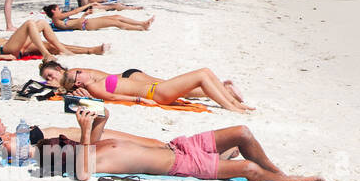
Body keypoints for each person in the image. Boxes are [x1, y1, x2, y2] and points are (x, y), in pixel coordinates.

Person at [19, 109, 321, 181]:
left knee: (242, 132)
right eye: (61, 146)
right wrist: (84, 134)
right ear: (59, 160)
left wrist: (100, 118)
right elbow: (83, 175)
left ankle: (278, 173)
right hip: (179, 165)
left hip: (179, 146)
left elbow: (94, 138)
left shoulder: (88, 149)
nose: (64, 142)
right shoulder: (83, 163)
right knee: (248, 168)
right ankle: (290, 180)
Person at [39, 61, 246, 108]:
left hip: (155, 91)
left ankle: (231, 99)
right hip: (156, 93)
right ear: (76, 81)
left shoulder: (94, 82)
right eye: (79, 73)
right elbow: (114, 97)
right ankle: (232, 106)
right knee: (202, 74)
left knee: (205, 73)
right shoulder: (94, 88)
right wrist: (140, 100)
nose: (83, 71)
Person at [0, 20, 107, 59]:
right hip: (6, 49)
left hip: (14, 45)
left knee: (42, 24)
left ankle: (90, 50)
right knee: (29, 24)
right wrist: (2, 56)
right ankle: (46, 54)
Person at [43, 3, 153, 32]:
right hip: (86, 25)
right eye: (58, 9)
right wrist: (87, 7)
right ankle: (140, 28)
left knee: (116, 16)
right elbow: (75, 13)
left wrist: (84, 14)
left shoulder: (58, 19)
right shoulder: (56, 19)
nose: (61, 10)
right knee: (115, 22)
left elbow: (73, 21)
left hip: (85, 22)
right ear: (53, 11)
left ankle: (142, 23)